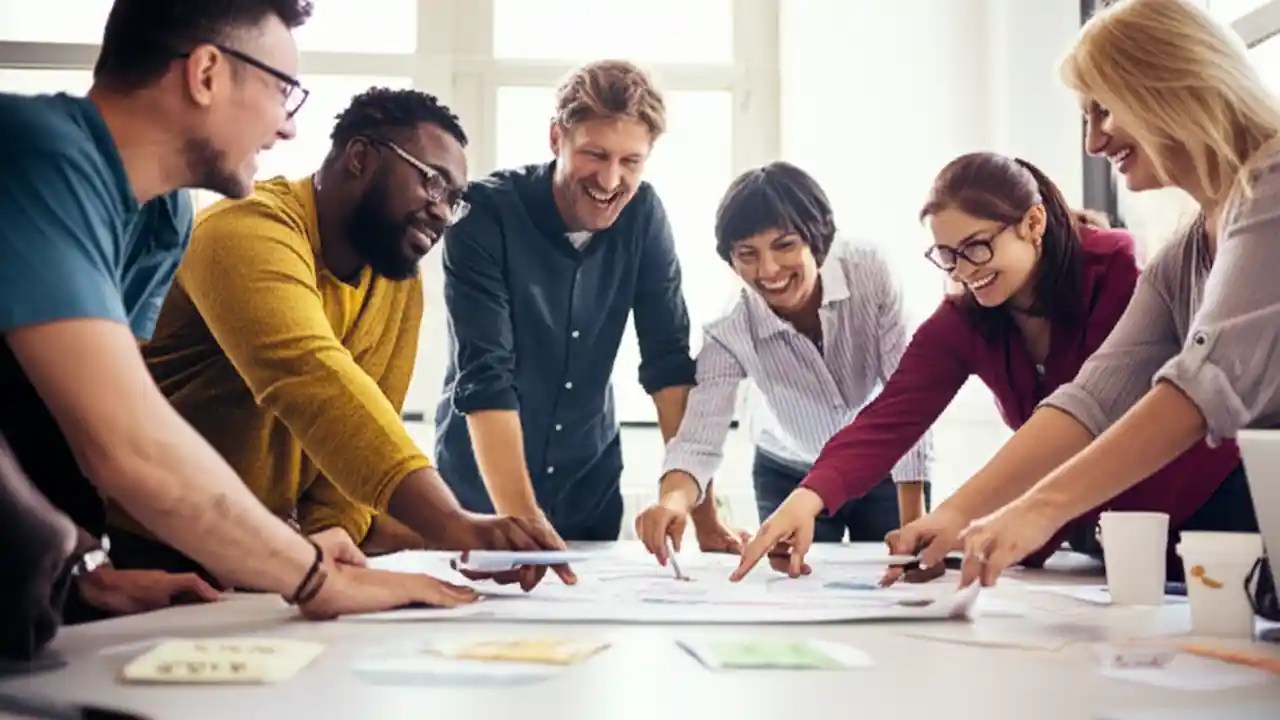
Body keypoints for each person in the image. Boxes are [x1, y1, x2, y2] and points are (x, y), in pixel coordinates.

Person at [0, 0, 479, 661]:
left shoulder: (163, 217)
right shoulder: (38, 157)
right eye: (283, 91)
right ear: (205, 73)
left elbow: (71, 423)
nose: (286, 128)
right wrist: (314, 578)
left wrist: (82, 576)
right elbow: (130, 444)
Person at [100, 86, 572, 590]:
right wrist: (452, 522)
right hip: (146, 548)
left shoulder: (397, 281)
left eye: (453, 202)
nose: (440, 212)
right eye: (433, 183)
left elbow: (370, 428)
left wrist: (332, 533)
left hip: (261, 553)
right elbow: (314, 381)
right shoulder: (244, 229)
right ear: (361, 157)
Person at [729, 150, 1247, 583]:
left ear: (1033, 223)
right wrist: (809, 498)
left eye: (977, 247)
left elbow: (1092, 414)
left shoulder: (1117, 272)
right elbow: (890, 418)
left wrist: (963, 512)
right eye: (948, 255)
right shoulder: (964, 318)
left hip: (1210, 511)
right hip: (1105, 537)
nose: (965, 271)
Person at [922, 0, 1280, 588]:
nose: (1092, 141)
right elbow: (1090, 399)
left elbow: (1202, 387)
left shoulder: (1269, 188)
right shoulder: (1182, 255)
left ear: (1168, 83)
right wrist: (958, 514)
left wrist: (1039, 510)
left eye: (1104, 108)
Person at [434, 59, 741, 548]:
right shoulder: (482, 214)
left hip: (588, 493)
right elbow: (486, 376)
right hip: (480, 500)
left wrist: (705, 521)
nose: (610, 178)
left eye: (630, 161)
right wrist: (525, 523)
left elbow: (668, 366)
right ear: (557, 138)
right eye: (594, 154)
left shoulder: (643, 216)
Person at [634, 162, 933, 564]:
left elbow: (907, 398)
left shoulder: (870, 271)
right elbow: (697, 442)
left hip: (881, 464)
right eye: (747, 255)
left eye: (785, 245)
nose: (768, 270)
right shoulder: (730, 329)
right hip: (789, 472)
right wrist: (672, 501)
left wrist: (913, 521)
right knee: (794, 586)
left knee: (899, 577)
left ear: (817, 239)